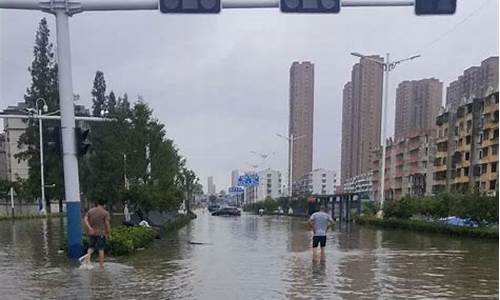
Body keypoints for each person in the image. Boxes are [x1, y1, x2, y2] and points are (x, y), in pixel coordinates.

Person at [84, 199, 111, 268]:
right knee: (101, 249)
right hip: (101, 234)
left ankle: (87, 261)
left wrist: (89, 228)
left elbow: (85, 219)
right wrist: (108, 233)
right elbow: (107, 224)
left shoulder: (90, 211)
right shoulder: (105, 213)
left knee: (91, 248)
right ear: (104, 205)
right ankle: (101, 266)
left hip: (92, 233)